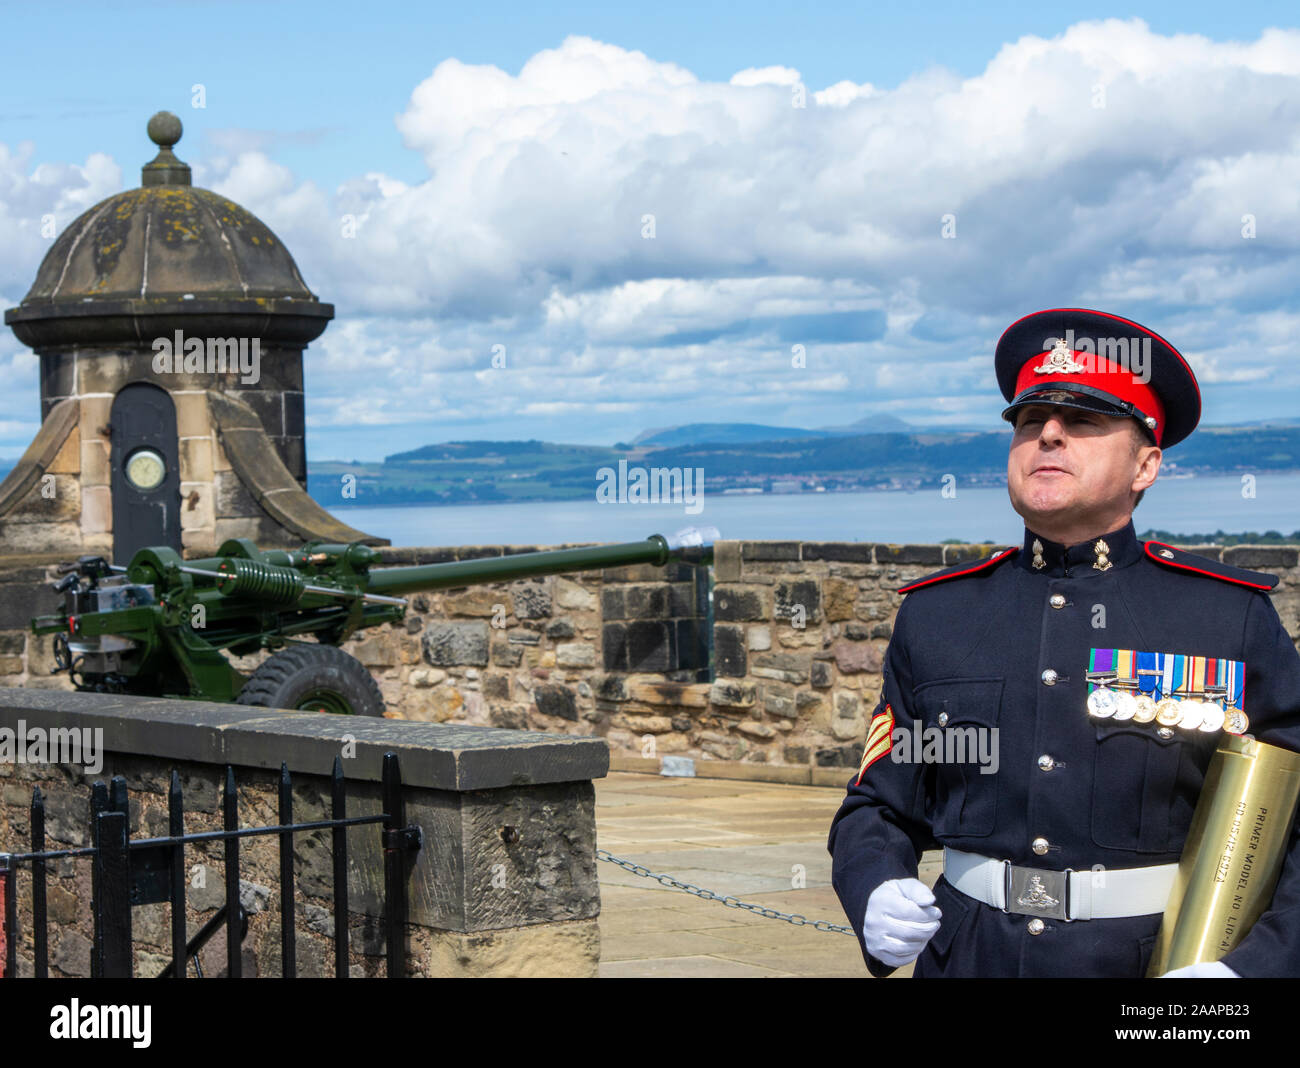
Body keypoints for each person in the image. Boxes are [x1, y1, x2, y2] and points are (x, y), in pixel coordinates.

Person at [827, 307, 1300, 978]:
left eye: (1082, 421)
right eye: (1029, 422)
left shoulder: (1225, 619)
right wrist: (873, 885)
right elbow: (880, 802)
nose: (1048, 434)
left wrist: (1255, 968)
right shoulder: (941, 617)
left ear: (1145, 465)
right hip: (969, 958)